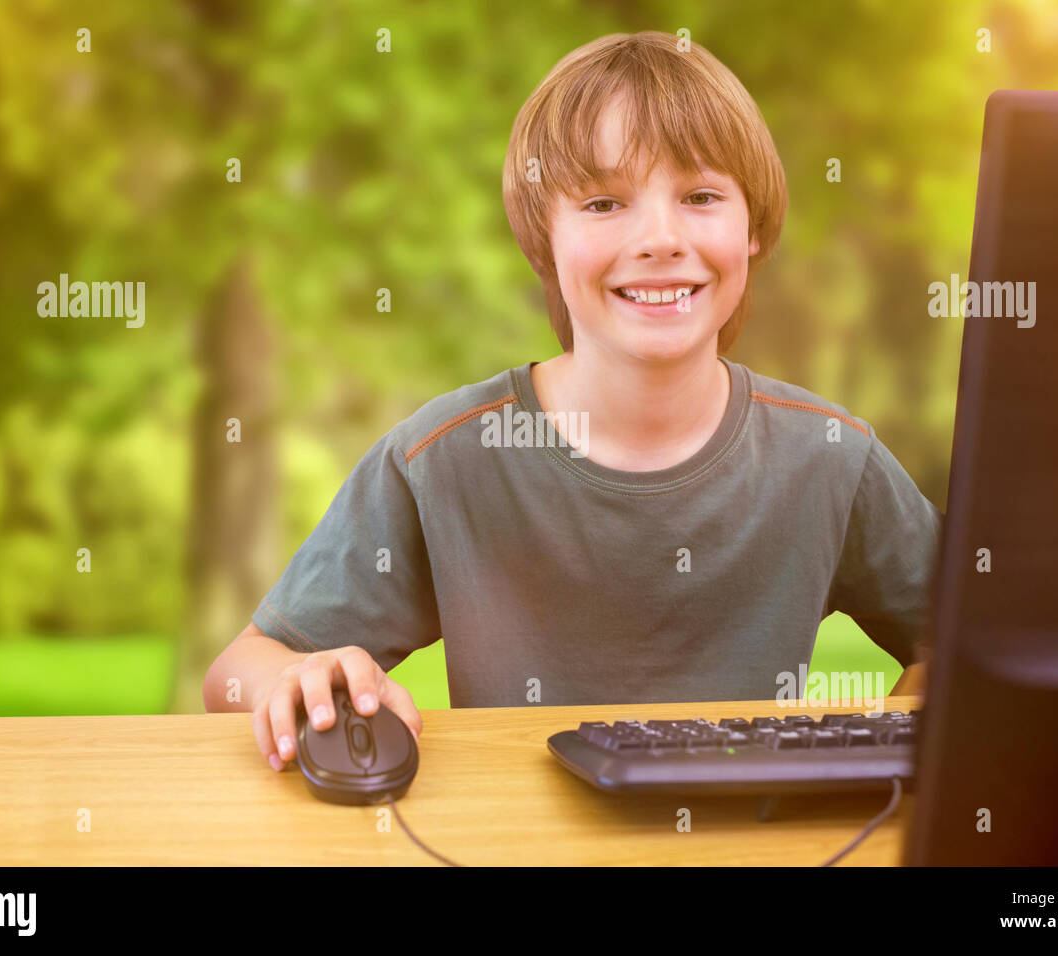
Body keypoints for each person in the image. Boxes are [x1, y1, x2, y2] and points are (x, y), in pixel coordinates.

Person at [203, 31, 943, 773]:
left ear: (751, 228)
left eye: (701, 196)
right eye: (603, 202)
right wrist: (294, 680)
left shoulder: (830, 456)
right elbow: (238, 669)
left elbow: (963, 642)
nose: (659, 237)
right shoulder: (445, 458)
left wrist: (874, 748)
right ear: (542, 240)